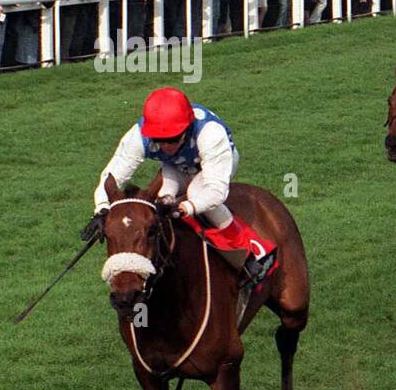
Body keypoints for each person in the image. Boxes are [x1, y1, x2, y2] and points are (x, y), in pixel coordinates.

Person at [86, 87, 278, 286]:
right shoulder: (138, 137)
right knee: (162, 198)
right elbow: (109, 177)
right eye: (160, 140)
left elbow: (216, 191)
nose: (166, 146)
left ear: (187, 128)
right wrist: (101, 209)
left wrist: (187, 207)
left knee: (196, 192)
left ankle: (251, 251)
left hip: (214, 164)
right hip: (176, 166)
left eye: (173, 138)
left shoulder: (210, 134)